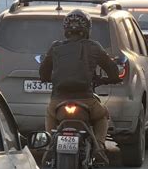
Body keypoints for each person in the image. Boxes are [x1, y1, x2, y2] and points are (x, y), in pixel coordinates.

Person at [39, 9, 121, 148]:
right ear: (87, 29)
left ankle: (50, 145)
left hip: (59, 101)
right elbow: (112, 69)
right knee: (103, 116)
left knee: (50, 114)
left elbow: (43, 72)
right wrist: (112, 79)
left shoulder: (55, 47)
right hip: (87, 100)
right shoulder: (94, 47)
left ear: (65, 29)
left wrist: (47, 79)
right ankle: (99, 147)